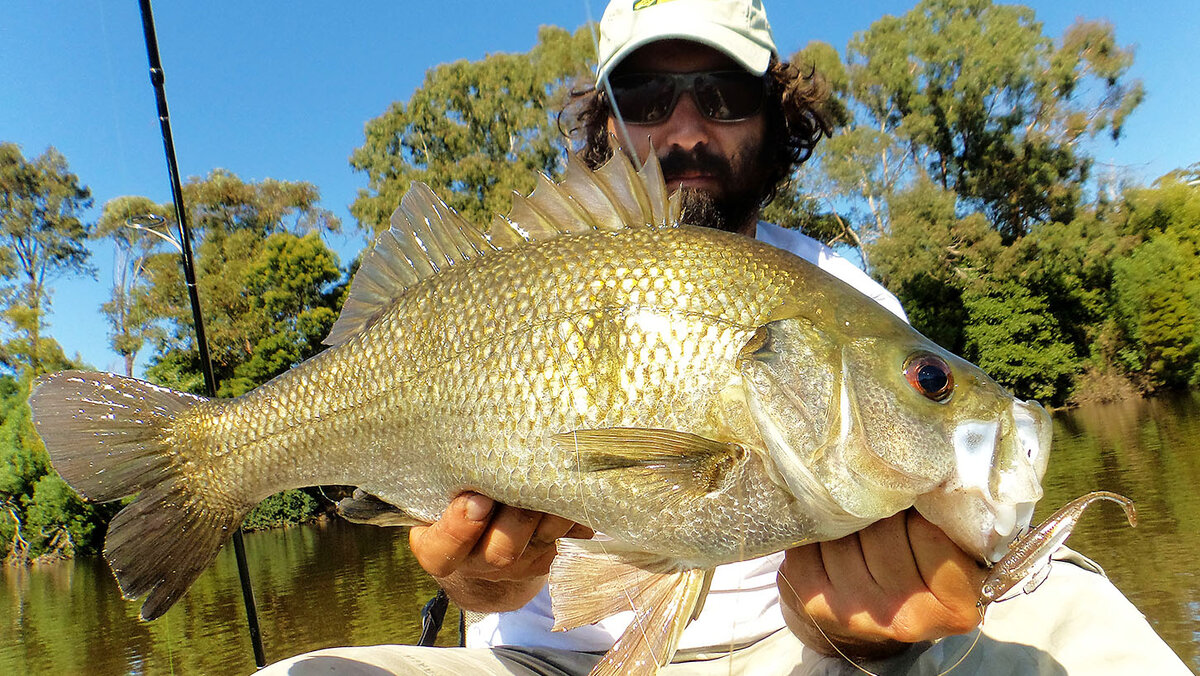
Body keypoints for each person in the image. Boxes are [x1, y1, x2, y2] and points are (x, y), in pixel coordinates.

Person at [261, 1, 1188, 673]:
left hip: (793, 656)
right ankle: (215, 454)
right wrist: (476, 584)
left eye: (723, 94)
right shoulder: (520, 277)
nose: (687, 127)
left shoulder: (841, 296)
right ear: (608, 120)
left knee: (1073, 617)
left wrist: (867, 631)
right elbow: (486, 583)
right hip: (539, 664)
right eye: (649, 96)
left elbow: (928, 567)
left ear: (774, 117)